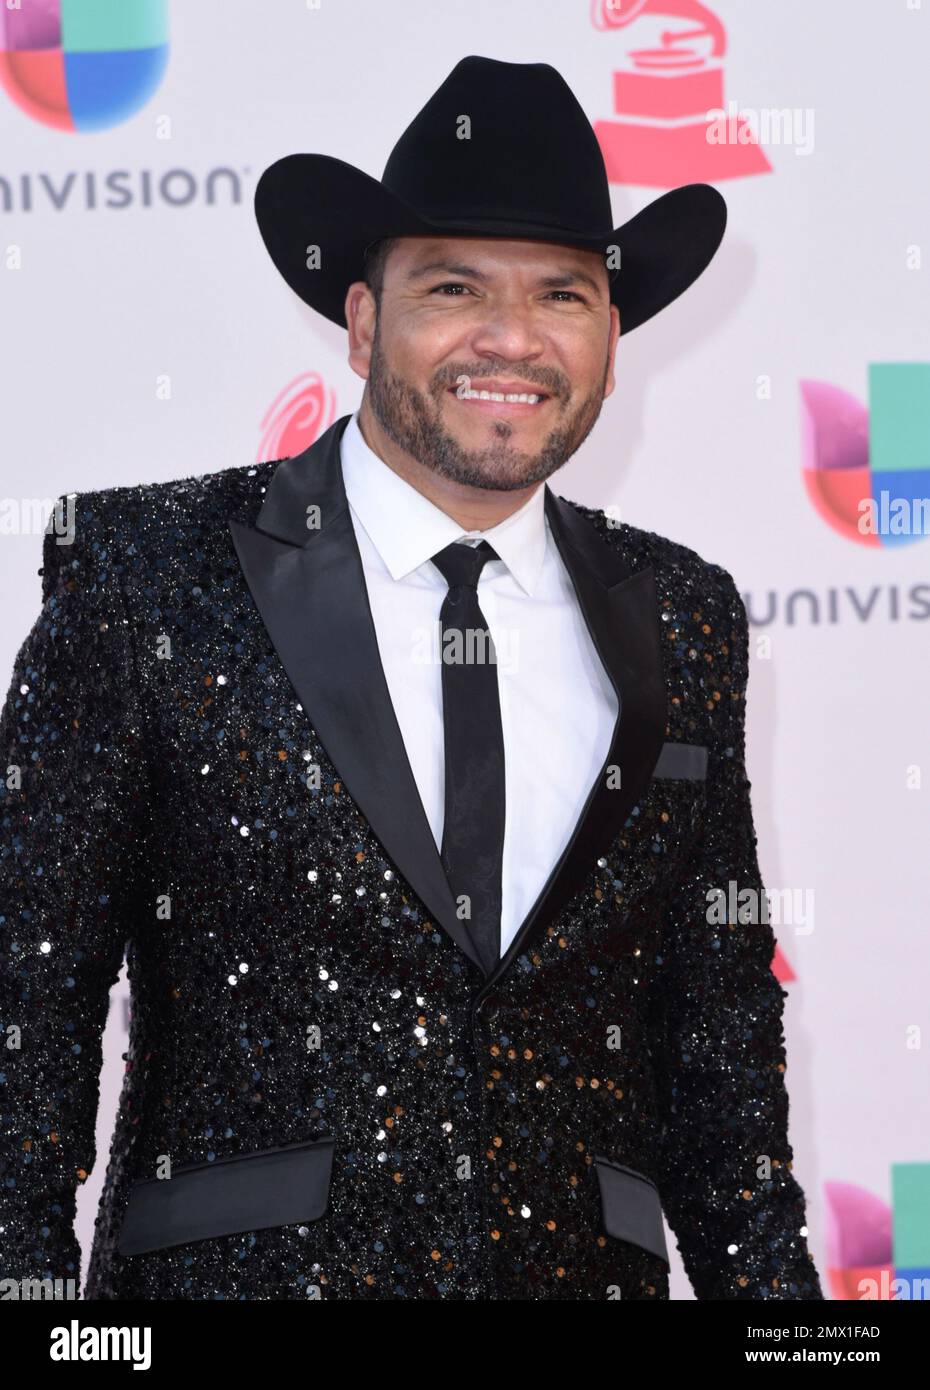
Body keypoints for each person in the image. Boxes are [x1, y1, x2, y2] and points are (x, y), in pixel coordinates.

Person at [0, 54, 822, 1301]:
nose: (513, 338)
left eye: (562, 293)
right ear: (364, 319)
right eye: (454, 286)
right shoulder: (146, 576)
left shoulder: (683, 613)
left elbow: (718, 1055)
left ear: (610, 334)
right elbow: (27, 1020)